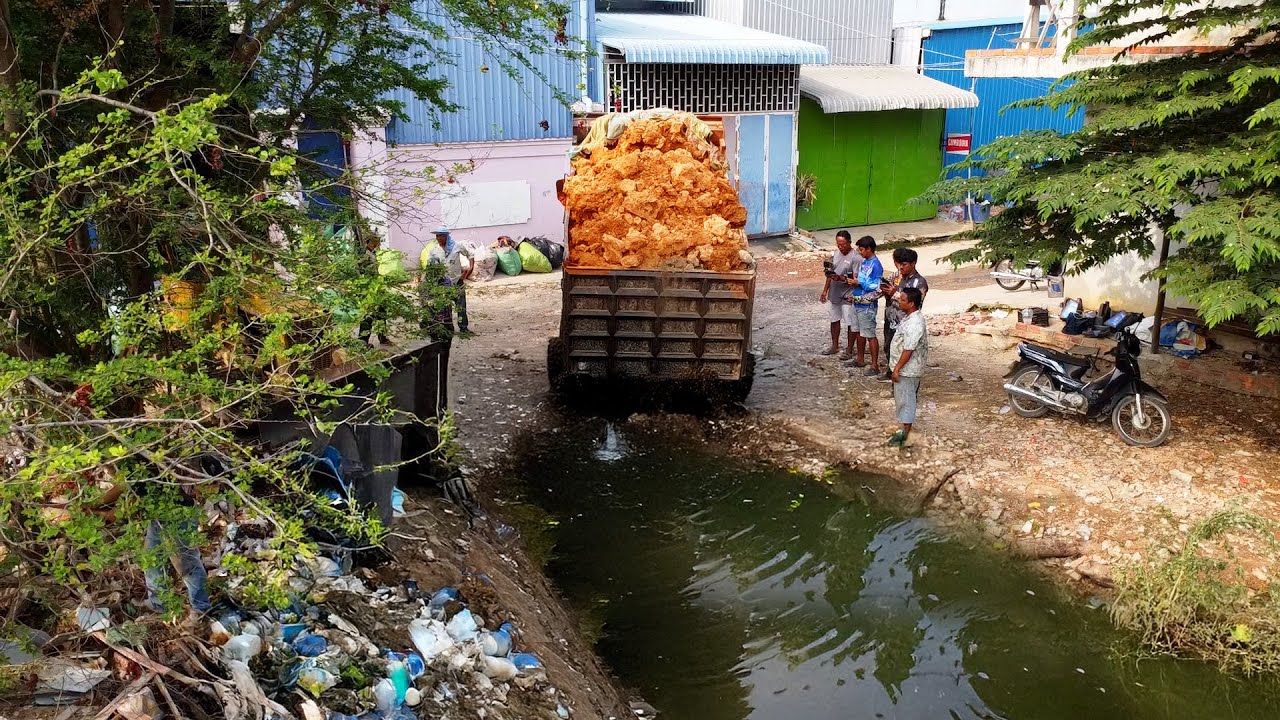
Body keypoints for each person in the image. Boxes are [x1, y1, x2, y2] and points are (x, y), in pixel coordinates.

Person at [880, 247, 929, 380]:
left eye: (904, 264)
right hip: (892, 319)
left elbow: (916, 304)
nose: (900, 268)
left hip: (905, 324)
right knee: (890, 348)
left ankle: (897, 381)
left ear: (913, 263)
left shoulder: (919, 282)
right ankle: (891, 374)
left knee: (904, 351)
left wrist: (894, 294)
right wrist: (886, 293)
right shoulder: (898, 277)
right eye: (898, 264)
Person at [888, 287, 928, 447]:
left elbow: (909, 349)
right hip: (907, 368)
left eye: (903, 300)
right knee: (904, 399)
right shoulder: (911, 317)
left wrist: (897, 368)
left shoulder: (915, 323)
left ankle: (904, 435)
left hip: (908, 370)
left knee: (906, 400)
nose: (899, 301)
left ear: (911, 304)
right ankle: (904, 430)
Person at [420, 226, 474, 334]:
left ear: (446, 236)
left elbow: (470, 254)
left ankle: (463, 327)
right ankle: (447, 328)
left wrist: (469, 270)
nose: (438, 238)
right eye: (437, 236)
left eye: (440, 236)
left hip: (457, 281)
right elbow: (430, 267)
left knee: (461, 306)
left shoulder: (456, 246)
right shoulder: (434, 250)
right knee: (445, 307)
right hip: (442, 283)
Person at [846, 236, 884, 376]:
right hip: (857, 301)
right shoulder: (865, 262)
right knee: (858, 331)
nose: (860, 252)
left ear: (869, 249)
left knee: (869, 334)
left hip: (867, 305)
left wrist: (859, 284)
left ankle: (874, 365)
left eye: (862, 249)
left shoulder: (876, 265)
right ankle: (860, 359)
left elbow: (876, 286)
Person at [818, 230, 859, 358]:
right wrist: (825, 290)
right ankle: (834, 346)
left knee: (850, 322)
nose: (840, 247)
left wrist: (842, 279)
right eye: (838, 244)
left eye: (843, 244)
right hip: (834, 293)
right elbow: (830, 274)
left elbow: (857, 279)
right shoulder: (835, 254)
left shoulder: (856, 257)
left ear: (849, 243)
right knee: (834, 319)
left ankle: (849, 349)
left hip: (848, 294)